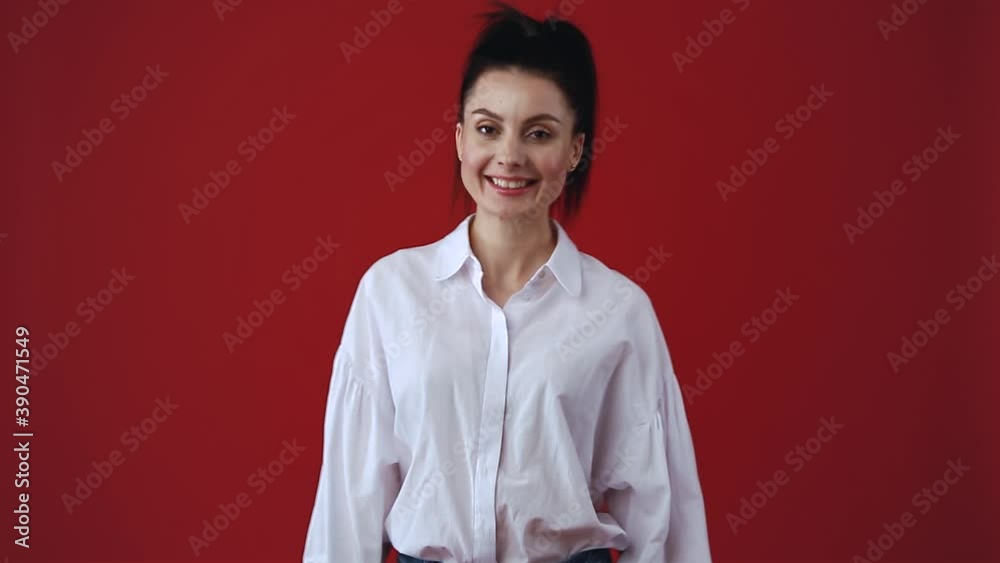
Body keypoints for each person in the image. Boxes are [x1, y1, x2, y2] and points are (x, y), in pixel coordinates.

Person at [303, 3, 712, 562]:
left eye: (539, 133)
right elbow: (349, 505)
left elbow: (664, 522)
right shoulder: (391, 293)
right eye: (488, 128)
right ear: (459, 139)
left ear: (574, 149)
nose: (509, 156)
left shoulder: (619, 312)